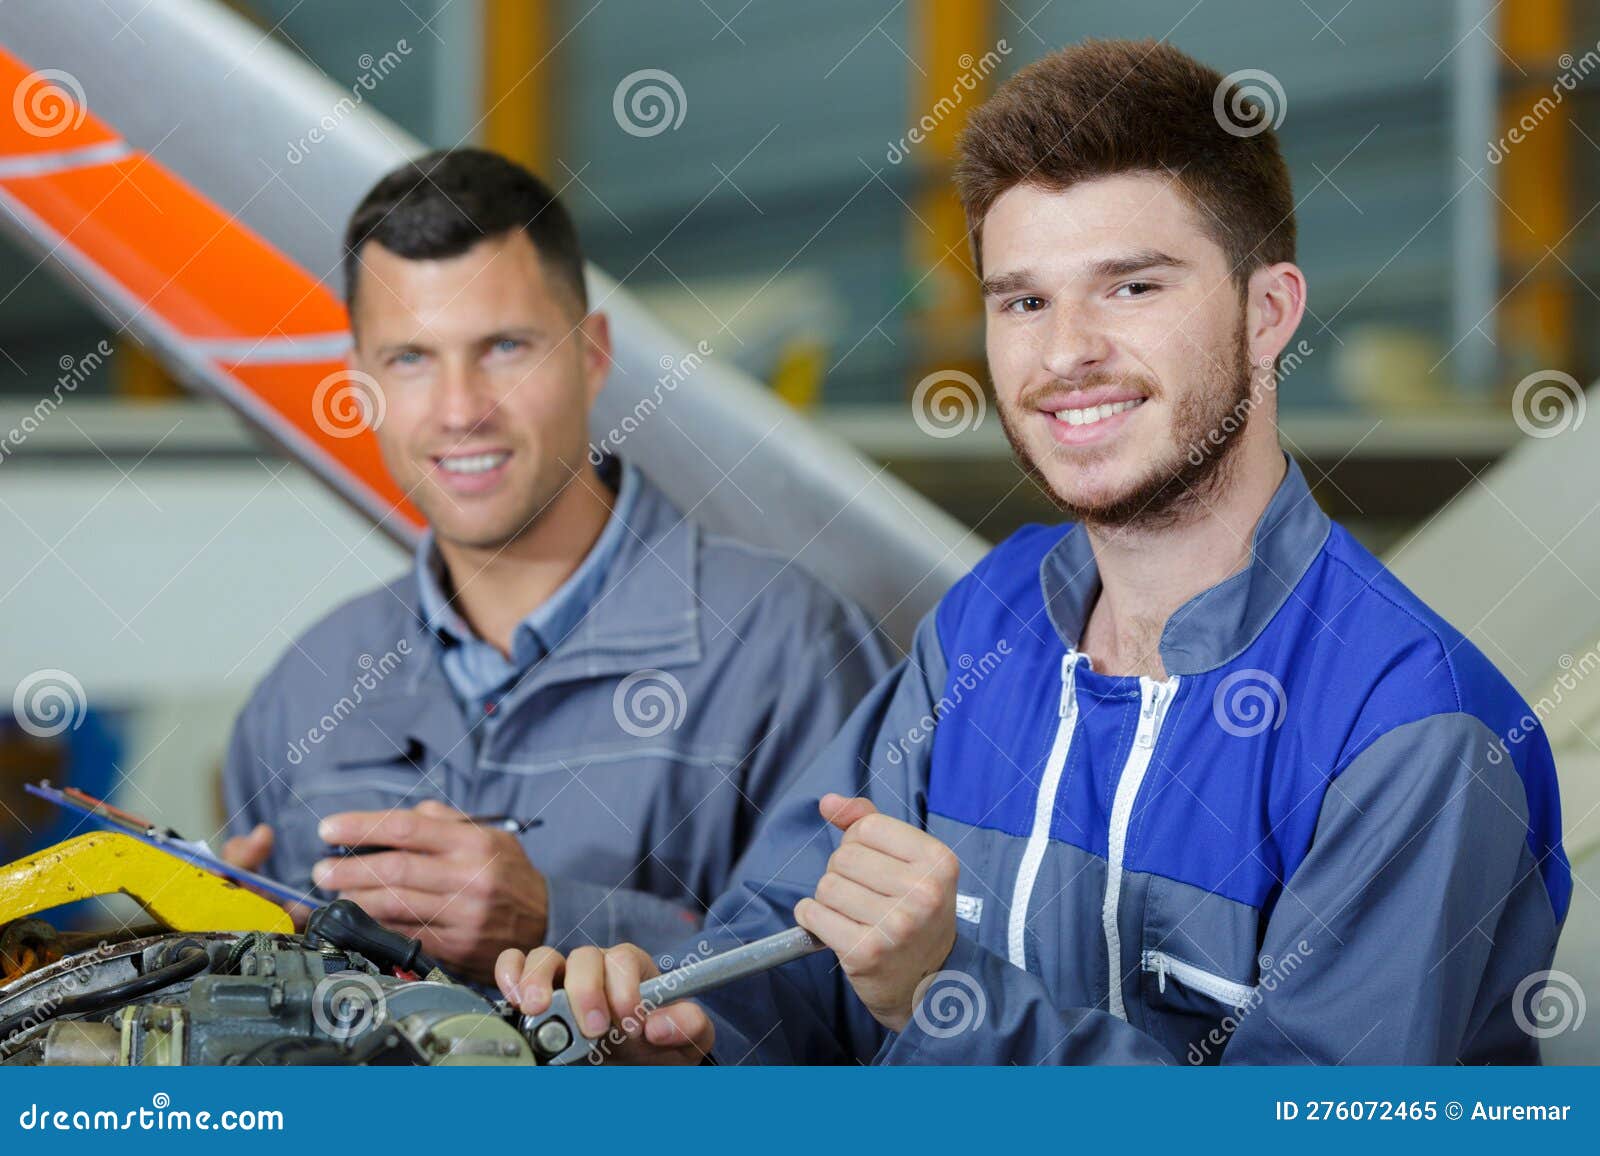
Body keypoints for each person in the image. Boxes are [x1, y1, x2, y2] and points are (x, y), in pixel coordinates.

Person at [496, 40, 1569, 1064]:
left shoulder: (1411, 734)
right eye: (1023, 299)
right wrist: (689, 1023)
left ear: (1267, 312)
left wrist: (941, 995)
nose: (1065, 354)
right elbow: (798, 935)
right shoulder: (989, 621)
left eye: (1132, 286)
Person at [221, 149, 888, 985]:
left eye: (504, 347)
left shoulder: (784, 647)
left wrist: (554, 919)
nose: (462, 411)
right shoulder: (304, 690)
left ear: (593, 353)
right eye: (412, 359)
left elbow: (852, 1004)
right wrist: (227, 952)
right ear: (361, 385)